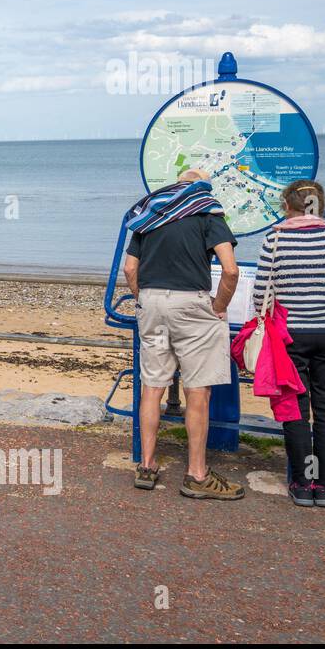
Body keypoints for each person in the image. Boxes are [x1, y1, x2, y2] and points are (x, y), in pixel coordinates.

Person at [122, 169, 245, 500]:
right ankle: (196, 474)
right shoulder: (207, 211)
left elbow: (130, 269)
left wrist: (143, 300)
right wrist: (218, 307)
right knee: (197, 391)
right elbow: (231, 270)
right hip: (193, 313)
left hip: (154, 310)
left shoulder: (153, 213)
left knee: (153, 386)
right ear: (200, 186)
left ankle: (146, 466)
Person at [252, 180, 325, 508]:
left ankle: (302, 484)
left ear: (288, 206)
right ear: (320, 205)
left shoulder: (275, 240)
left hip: (292, 337)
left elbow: (261, 295)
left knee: (297, 409)